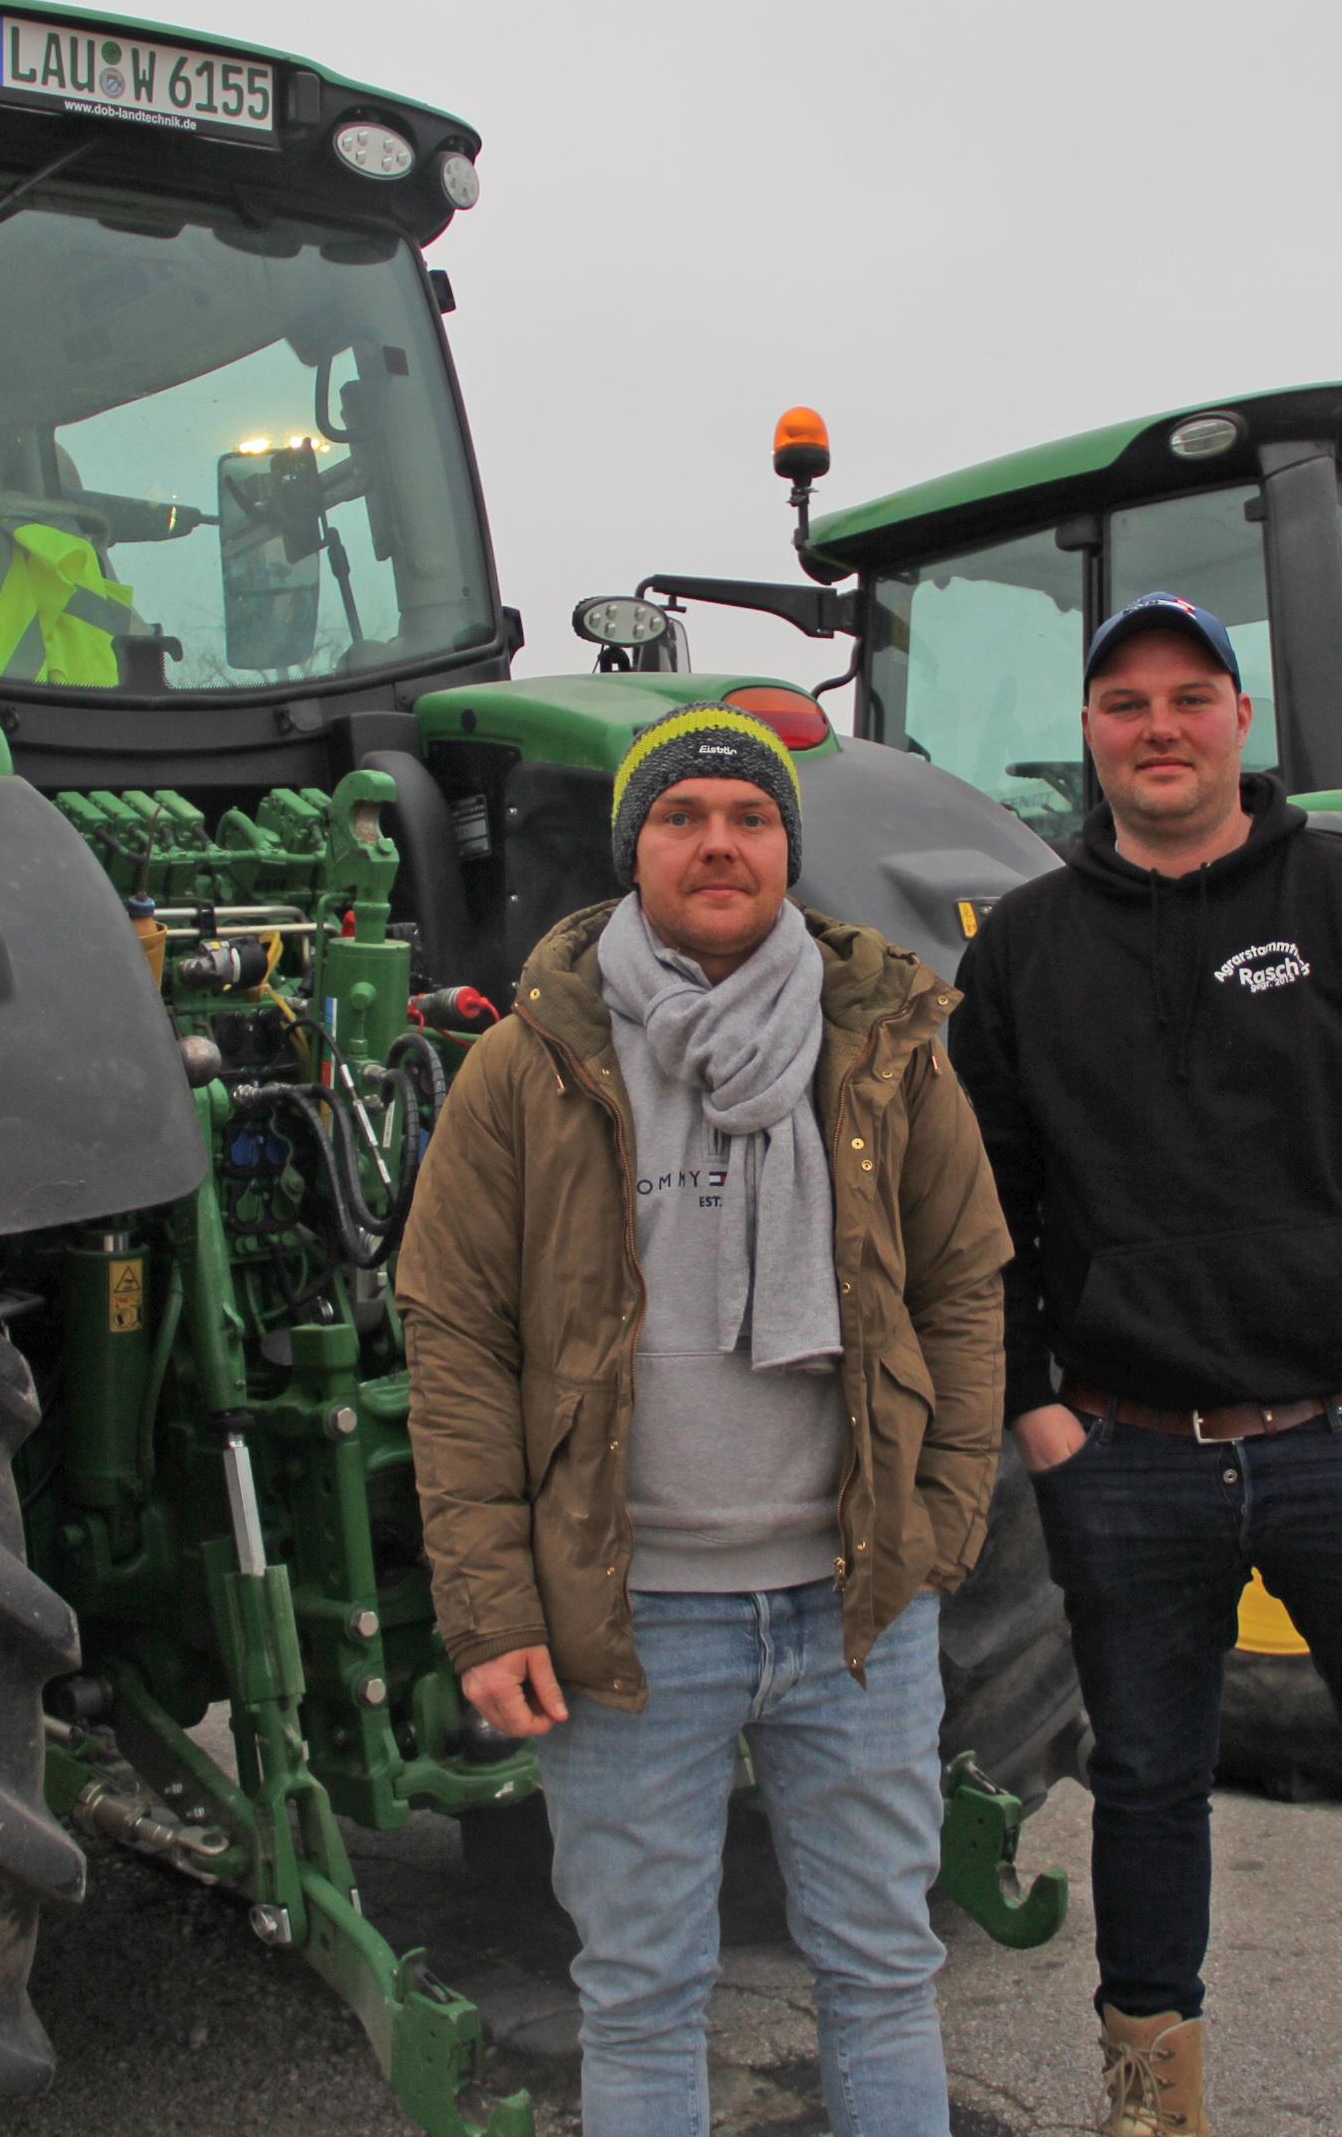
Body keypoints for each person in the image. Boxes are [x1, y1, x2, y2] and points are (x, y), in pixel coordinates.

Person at [945, 597, 1342, 2137]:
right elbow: (980, 1205)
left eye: (1190, 697)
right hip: (1128, 1451)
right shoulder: (1022, 947)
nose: (1159, 727)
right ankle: (1151, 2107)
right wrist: (1036, 1404)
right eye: (1125, 703)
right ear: (1090, 734)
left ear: (1239, 720)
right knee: (1146, 1787)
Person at [401, 704, 1011, 2137]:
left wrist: (939, 1527)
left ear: (788, 850)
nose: (718, 842)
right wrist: (492, 1612)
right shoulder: (526, 1069)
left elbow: (967, 1294)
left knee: (879, 1971)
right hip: (630, 1622)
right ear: (632, 854)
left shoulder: (886, 1048)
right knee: (640, 1992)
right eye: (682, 818)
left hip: (852, 1605)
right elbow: (457, 1343)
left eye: (749, 816)